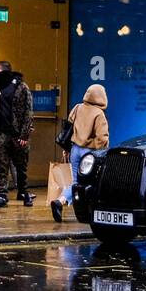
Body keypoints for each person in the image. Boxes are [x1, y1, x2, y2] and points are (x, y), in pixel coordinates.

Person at [52, 83, 109, 223]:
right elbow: (102, 139)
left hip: (75, 150)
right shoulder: (99, 114)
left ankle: (62, 201)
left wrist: (67, 149)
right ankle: (83, 208)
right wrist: (96, 149)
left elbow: (68, 129)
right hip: (89, 153)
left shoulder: (78, 108)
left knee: (76, 181)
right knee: (93, 181)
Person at [0, 61, 34, 208]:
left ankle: (24, 192)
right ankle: (2, 194)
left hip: (17, 134)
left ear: (5, 71)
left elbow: (28, 112)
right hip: (1, 133)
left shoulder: (21, 87)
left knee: (21, 165)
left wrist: (24, 135)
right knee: (1, 165)